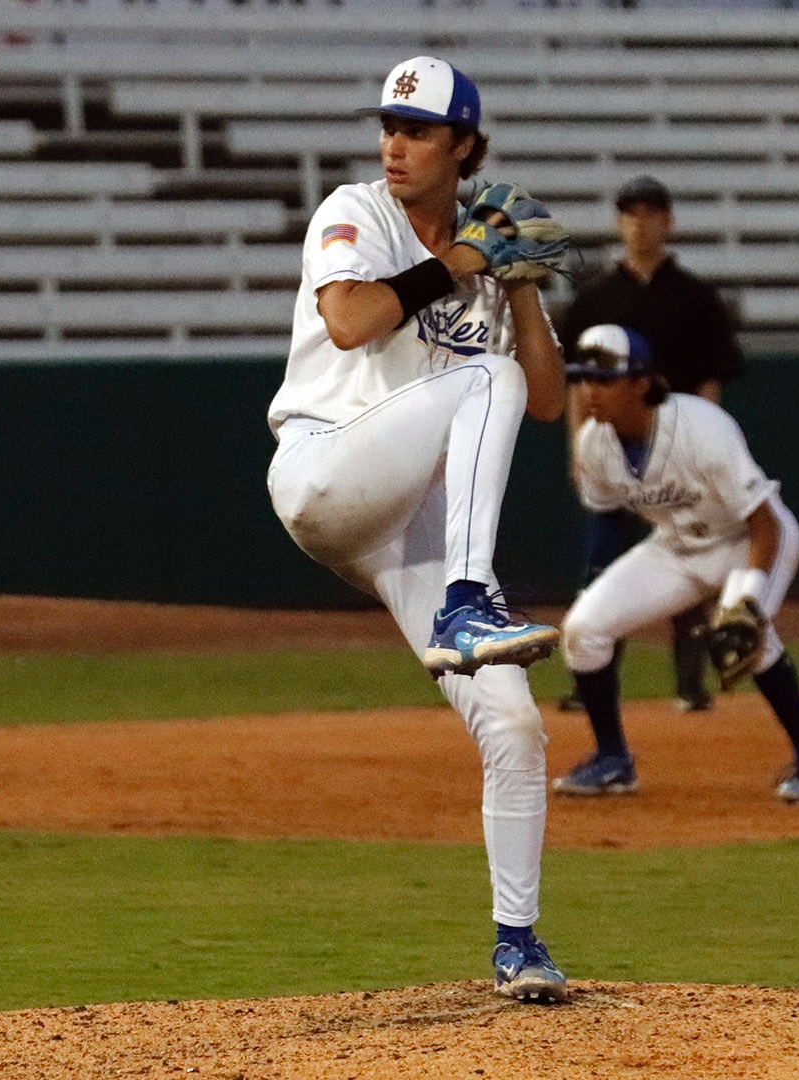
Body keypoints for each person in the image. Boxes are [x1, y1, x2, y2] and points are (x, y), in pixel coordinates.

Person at [264, 56, 572, 1003]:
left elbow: (553, 402)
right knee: (486, 380)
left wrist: (515, 283)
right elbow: (353, 321)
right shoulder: (355, 210)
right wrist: (465, 263)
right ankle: (468, 604)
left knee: (515, 724)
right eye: (387, 125)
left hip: (407, 517)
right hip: (325, 469)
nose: (393, 143)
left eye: (418, 130)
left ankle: (517, 944)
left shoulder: (482, 261)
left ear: (465, 146)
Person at [550, 324, 799, 804]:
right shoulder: (594, 445)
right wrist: (596, 586)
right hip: (677, 547)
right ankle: (612, 760)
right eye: (582, 378)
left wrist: (747, 597)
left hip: (747, 541)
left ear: (641, 382)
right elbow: (606, 524)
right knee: (583, 630)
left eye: (603, 379)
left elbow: (764, 524)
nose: (589, 391)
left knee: (745, 635)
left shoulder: (700, 427)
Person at [556, 174, 747, 715]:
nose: (640, 223)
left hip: (682, 450)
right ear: (620, 222)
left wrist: (709, 444)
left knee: (690, 559)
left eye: (650, 213)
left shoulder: (694, 296)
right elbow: (578, 382)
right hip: (614, 451)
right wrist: (577, 447)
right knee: (603, 564)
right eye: (631, 213)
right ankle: (590, 679)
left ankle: (689, 683)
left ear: (668, 221)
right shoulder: (596, 296)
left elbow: (712, 376)